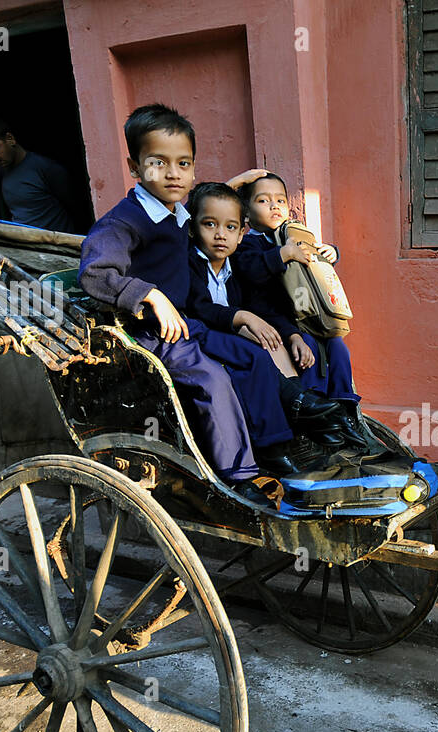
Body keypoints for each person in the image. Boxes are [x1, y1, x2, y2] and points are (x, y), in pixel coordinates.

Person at [77, 103, 304, 485]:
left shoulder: (177, 215)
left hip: (187, 326)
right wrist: (149, 294)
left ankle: (273, 448)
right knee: (213, 379)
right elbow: (95, 273)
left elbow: (208, 207)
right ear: (134, 168)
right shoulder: (125, 221)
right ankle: (239, 473)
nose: (172, 174)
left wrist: (236, 186)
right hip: (151, 334)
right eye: (158, 163)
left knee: (251, 355)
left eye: (184, 164)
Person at [184, 180, 354, 453]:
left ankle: (326, 413)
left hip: (261, 324)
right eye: (210, 225)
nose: (220, 235)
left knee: (290, 342)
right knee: (260, 351)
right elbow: (201, 307)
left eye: (229, 228)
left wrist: (329, 251)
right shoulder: (209, 260)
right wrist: (244, 318)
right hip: (203, 333)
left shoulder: (287, 237)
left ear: (239, 232)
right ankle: (299, 416)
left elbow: (261, 307)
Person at [233, 172, 369, 449]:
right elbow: (253, 277)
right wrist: (282, 255)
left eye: (280, 200)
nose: (274, 206)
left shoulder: (294, 235)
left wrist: (330, 252)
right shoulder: (247, 245)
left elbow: (315, 269)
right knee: (306, 351)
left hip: (312, 320)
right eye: (263, 200)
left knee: (338, 348)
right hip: (281, 325)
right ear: (246, 211)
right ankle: (312, 413)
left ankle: (344, 411)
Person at [0, 114, 82, 233]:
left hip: (55, 246)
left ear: (10, 139)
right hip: (25, 247)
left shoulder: (46, 168)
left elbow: (75, 208)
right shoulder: (2, 171)